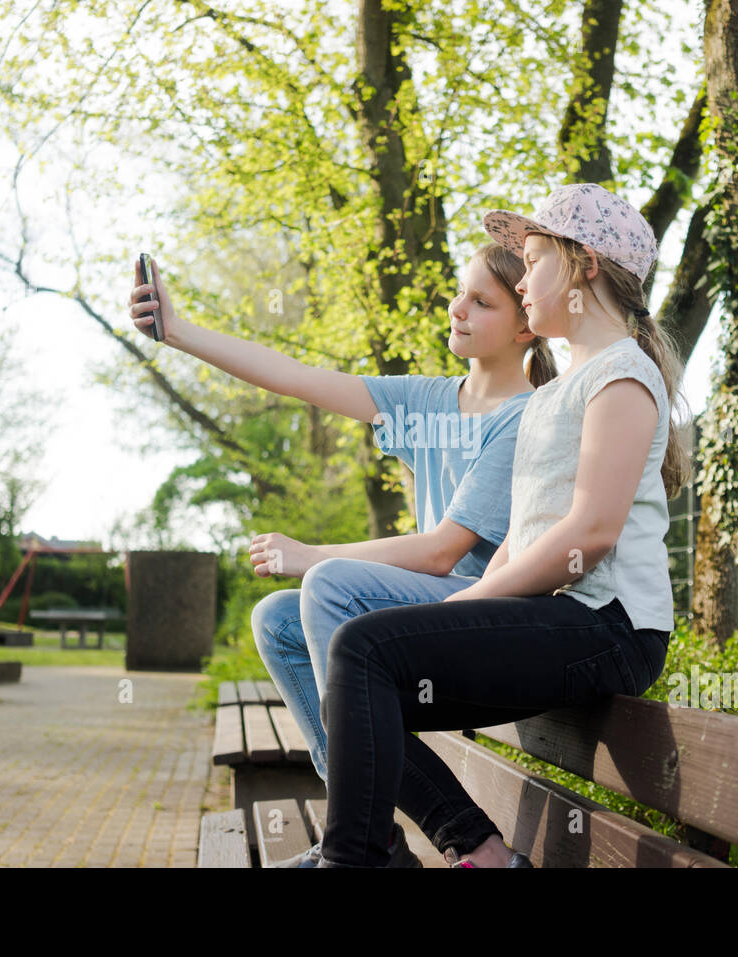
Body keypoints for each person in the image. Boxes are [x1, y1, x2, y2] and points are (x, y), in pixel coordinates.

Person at [128, 243, 555, 866]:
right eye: (460, 292)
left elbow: (443, 553)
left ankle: (388, 846)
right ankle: (377, 837)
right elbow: (296, 376)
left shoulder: (524, 419)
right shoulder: (429, 403)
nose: (457, 308)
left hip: (479, 618)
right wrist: (178, 332)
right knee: (276, 618)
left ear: (525, 326)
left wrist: (312, 555)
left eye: (480, 302)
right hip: (427, 617)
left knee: (327, 586)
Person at [314, 182, 692, 867]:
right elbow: (521, 535)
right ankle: (478, 850)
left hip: (611, 625)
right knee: (354, 685)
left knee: (363, 651)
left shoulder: (625, 376)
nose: (524, 280)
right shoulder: (552, 396)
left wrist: (471, 601)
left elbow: (591, 534)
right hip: (558, 620)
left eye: (537, 257)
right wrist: (463, 608)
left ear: (583, 267)